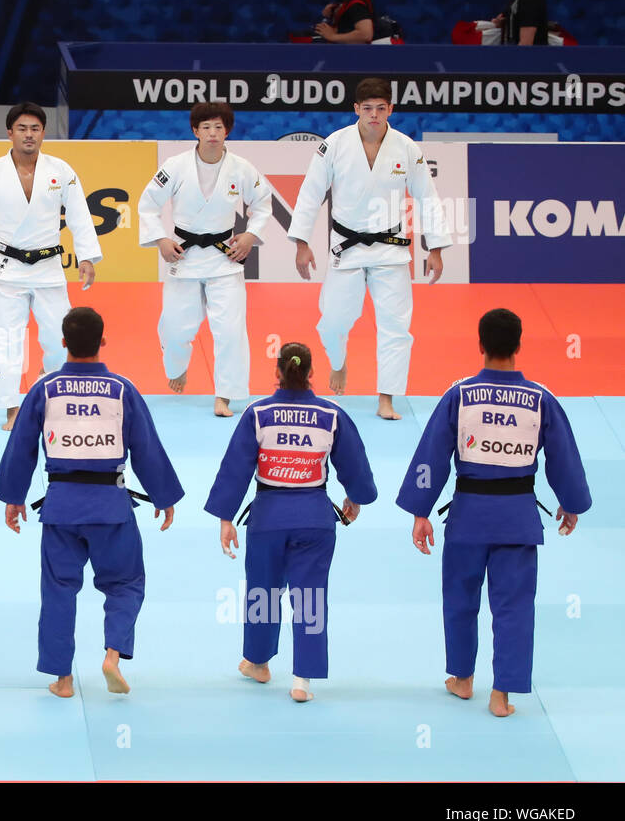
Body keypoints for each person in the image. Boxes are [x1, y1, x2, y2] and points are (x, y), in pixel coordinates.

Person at [395, 308, 590, 718]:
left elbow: (433, 456)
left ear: (480, 345)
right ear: (519, 346)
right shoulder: (540, 399)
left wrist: (420, 509)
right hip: (518, 518)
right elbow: (564, 460)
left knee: (460, 600)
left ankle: (462, 678)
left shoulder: (460, 395)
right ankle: (502, 693)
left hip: (468, 518)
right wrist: (570, 503)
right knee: (514, 607)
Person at [0, 306, 183, 698]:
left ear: (62, 342)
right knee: (126, 583)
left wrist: (14, 498)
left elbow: (22, 448)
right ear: (103, 341)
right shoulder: (121, 389)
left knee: (59, 589)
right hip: (110, 506)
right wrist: (163, 496)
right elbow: (145, 447)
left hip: (61, 507)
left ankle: (62, 678)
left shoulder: (44, 389)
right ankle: (112, 655)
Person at [204, 342, 376, 703]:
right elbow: (355, 466)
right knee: (310, 596)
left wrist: (225, 518)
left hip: (268, 516)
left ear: (277, 373)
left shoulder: (257, 413)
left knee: (263, 592)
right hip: (315, 517)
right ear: (311, 374)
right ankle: (302, 680)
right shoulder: (331, 415)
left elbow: (235, 470)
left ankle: (259, 662)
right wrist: (355, 499)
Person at [287, 76, 452, 420]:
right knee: (332, 322)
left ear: (391, 109)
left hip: (391, 250)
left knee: (395, 327)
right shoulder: (334, 144)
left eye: (381, 108)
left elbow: (427, 198)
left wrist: (434, 247)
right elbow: (310, 193)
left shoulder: (407, 147)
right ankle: (338, 361)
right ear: (356, 110)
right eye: (367, 108)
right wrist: (302, 242)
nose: (374, 115)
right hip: (346, 248)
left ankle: (386, 397)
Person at [0, 102, 104, 430]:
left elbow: (80, 215)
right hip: (9, 267)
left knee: (58, 338)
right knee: (7, 340)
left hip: (49, 266)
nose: (29, 135)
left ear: (43, 133)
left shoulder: (61, 171)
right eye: (22, 128)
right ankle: (11, 407)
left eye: (35, 129)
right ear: (10, 133)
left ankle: (50, 392)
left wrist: (87, 256)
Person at [137, 101, 273, 416]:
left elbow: (263, 205)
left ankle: (225, 394)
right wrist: (161, 239)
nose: (213, 133)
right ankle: (177, 367)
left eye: (219, 127)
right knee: (175, 329)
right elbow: (147, 205)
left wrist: (251, 235)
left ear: (227, 131)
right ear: (195, 131)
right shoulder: (175, 165)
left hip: (224, 259)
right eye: (206, 127)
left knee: (230, 329)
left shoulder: (241, 168)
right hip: (183, 255)